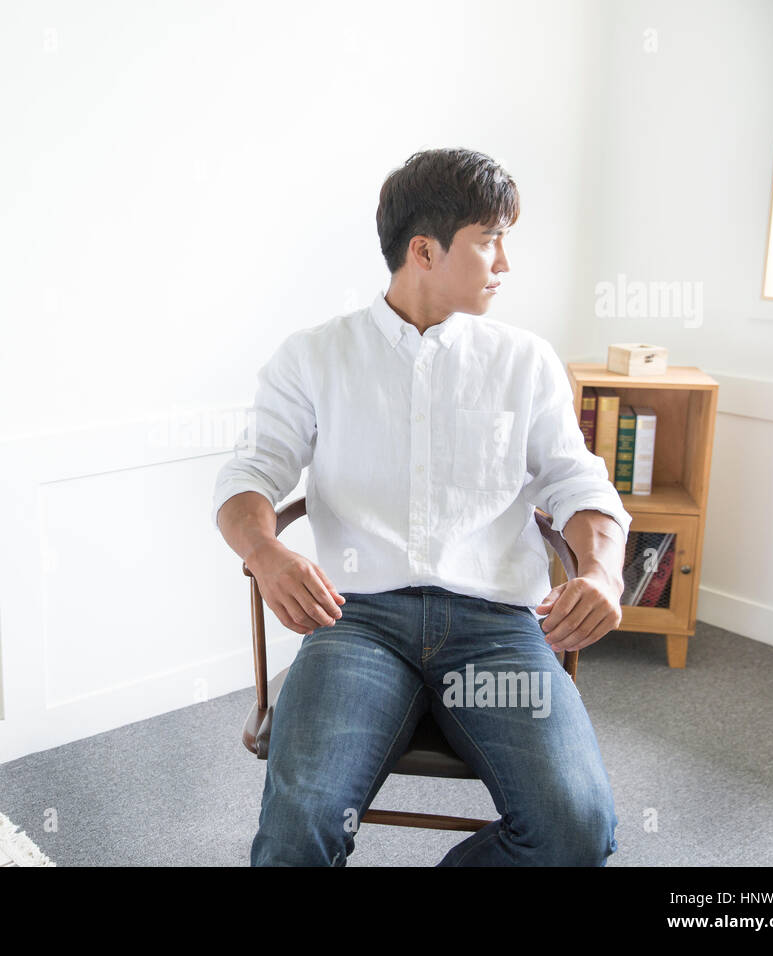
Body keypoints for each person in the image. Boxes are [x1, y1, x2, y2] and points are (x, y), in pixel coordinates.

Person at [212, 147, 632, 866]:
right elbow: (248, 476)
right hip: (358, 625)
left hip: (497, 627)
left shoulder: (524, 361)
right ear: (424, 250)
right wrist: (266, 552)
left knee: (577, 831)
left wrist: (601, 573)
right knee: (297, 831)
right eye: (490, 239)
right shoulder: (314, 356)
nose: (505, 263)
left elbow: (579, 484)